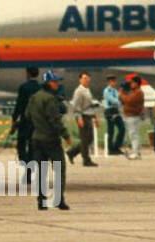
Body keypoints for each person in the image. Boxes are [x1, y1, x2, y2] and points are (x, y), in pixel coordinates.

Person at [25, 70, 71, 210]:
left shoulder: (34, 97)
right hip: (51, 140)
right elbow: (54, 120)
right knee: (59, 169)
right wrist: (66, 134)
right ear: (48, 83)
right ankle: (58, 200)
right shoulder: (50, 99)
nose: (57, 84)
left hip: (37, 138)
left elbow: (27, 115)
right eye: (54, 81)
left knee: (41, 170)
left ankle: (41, 200)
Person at [65, 72, 99, 167]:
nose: (87, 80)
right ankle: (86, 159)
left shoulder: (87, 90)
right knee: (85, 139)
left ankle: (72, 152)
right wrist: (79, 118)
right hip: (82, 116)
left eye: (88, 78)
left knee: (89, 138)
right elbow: (76, 106)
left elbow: (90, 105)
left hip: (88, 115)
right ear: (80, 80)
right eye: (84, 78)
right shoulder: (79, 91)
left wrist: (94, 117)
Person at [120, 76, 146, 159]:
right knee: (132, 134)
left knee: (133, 134)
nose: (130, 84)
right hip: (130, 116)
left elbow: (128, 100)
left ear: (136, 83)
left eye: (132, 83)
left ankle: (136, 152)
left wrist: (121, 94)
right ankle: (136, 151)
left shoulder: (138, 92)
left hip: (134, 116)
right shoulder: (133, 92)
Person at [102, 75, 125, 154]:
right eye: (113, 81)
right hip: (109, 111)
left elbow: (119, 98)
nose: (114, 82)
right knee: (111, 130)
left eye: (115, 81)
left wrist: (121, 94)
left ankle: (116, 147)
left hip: (116, 110)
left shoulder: (115, 91)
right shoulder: (107, 90)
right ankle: (110, 149)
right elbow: (113, 100)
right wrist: (120, 102)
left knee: (122, 128)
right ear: (109, 82)